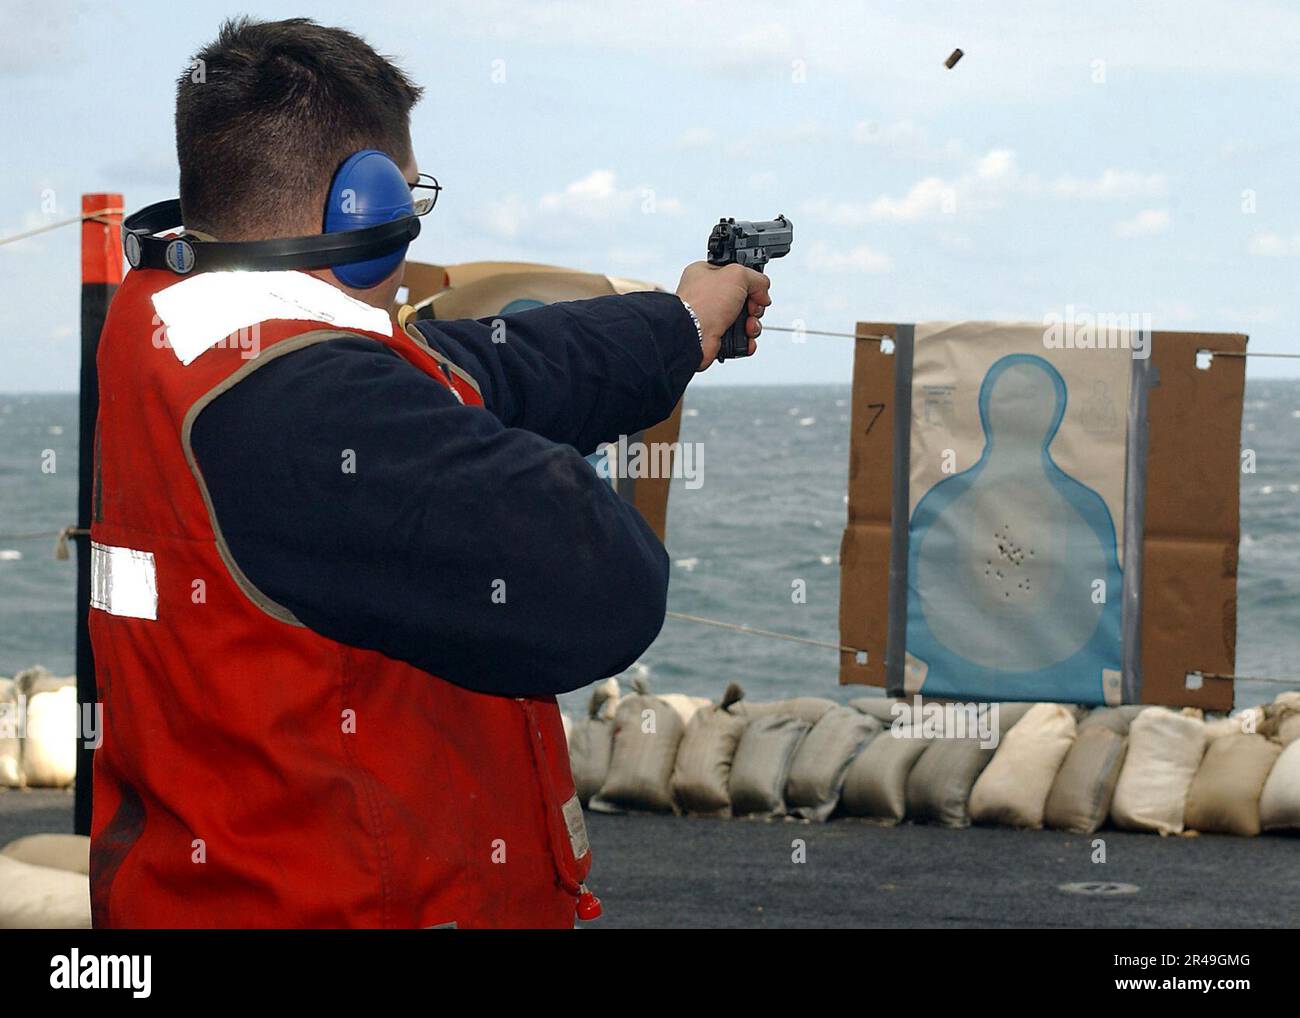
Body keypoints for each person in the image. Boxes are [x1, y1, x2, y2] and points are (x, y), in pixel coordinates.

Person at [88, 17, 770, 928]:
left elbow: (482, 365)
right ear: (363, 206)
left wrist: (682, 324)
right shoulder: (311, 410)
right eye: (411, 196)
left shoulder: (173, 324)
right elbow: (599, 584)